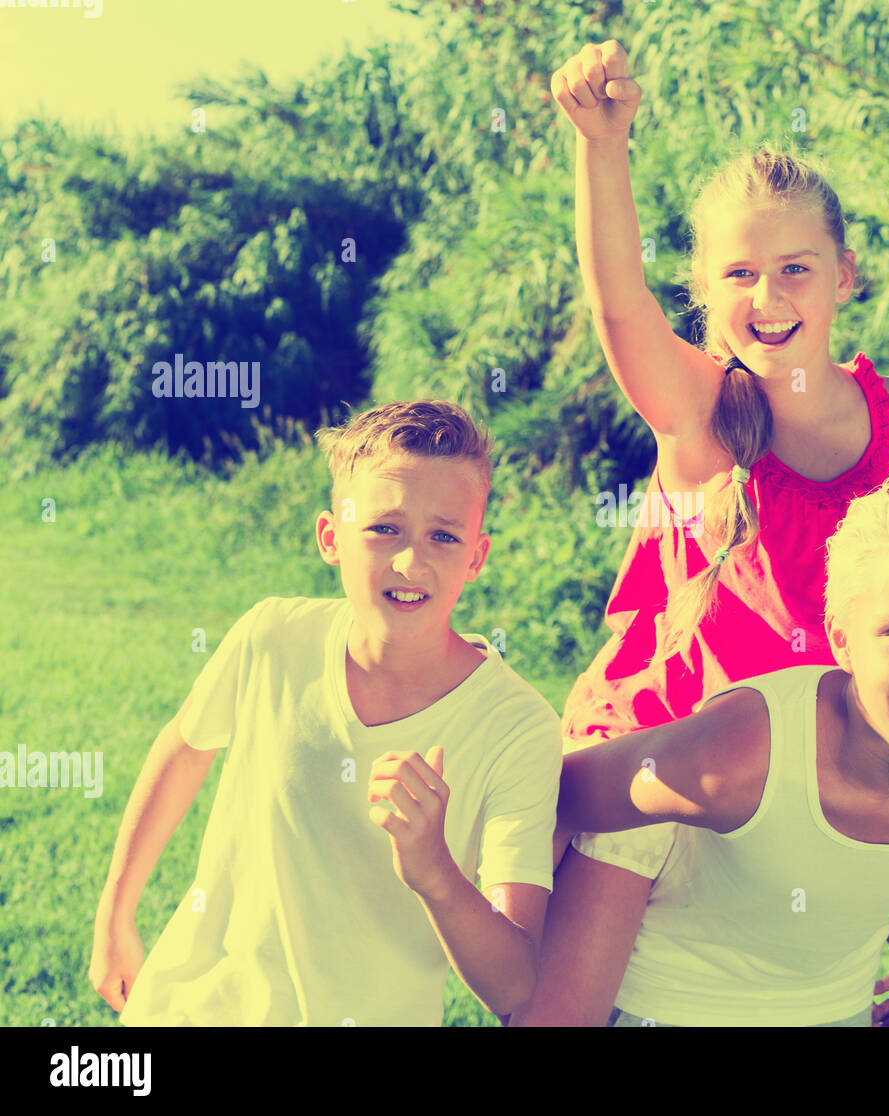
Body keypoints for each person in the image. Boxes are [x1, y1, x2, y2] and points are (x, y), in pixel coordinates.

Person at [511, 39, 889, 1026]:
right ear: (702, 286)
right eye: (738, 273)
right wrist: (602, 148)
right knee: (565, 1014)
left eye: (794, 269)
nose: (767, 298)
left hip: (822, 756)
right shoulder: (701, 411)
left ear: (844, 276)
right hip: (672, 750)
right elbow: (616, 305)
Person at [88, 400, 561, 1026]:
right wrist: (115, 916)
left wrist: (435, 872)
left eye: (443, 535)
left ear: (477, 556)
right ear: (330, 539)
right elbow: (184, 747)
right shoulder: (272, 636)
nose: (410, 562)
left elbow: (516, 986)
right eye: (383, 529)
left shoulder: (517, 728)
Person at [549, 471, 889, 1026]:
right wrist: (520, 971)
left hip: (831, 1008)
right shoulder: (740, 754)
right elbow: (560, 794)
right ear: (840, 640)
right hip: (671, 1007)